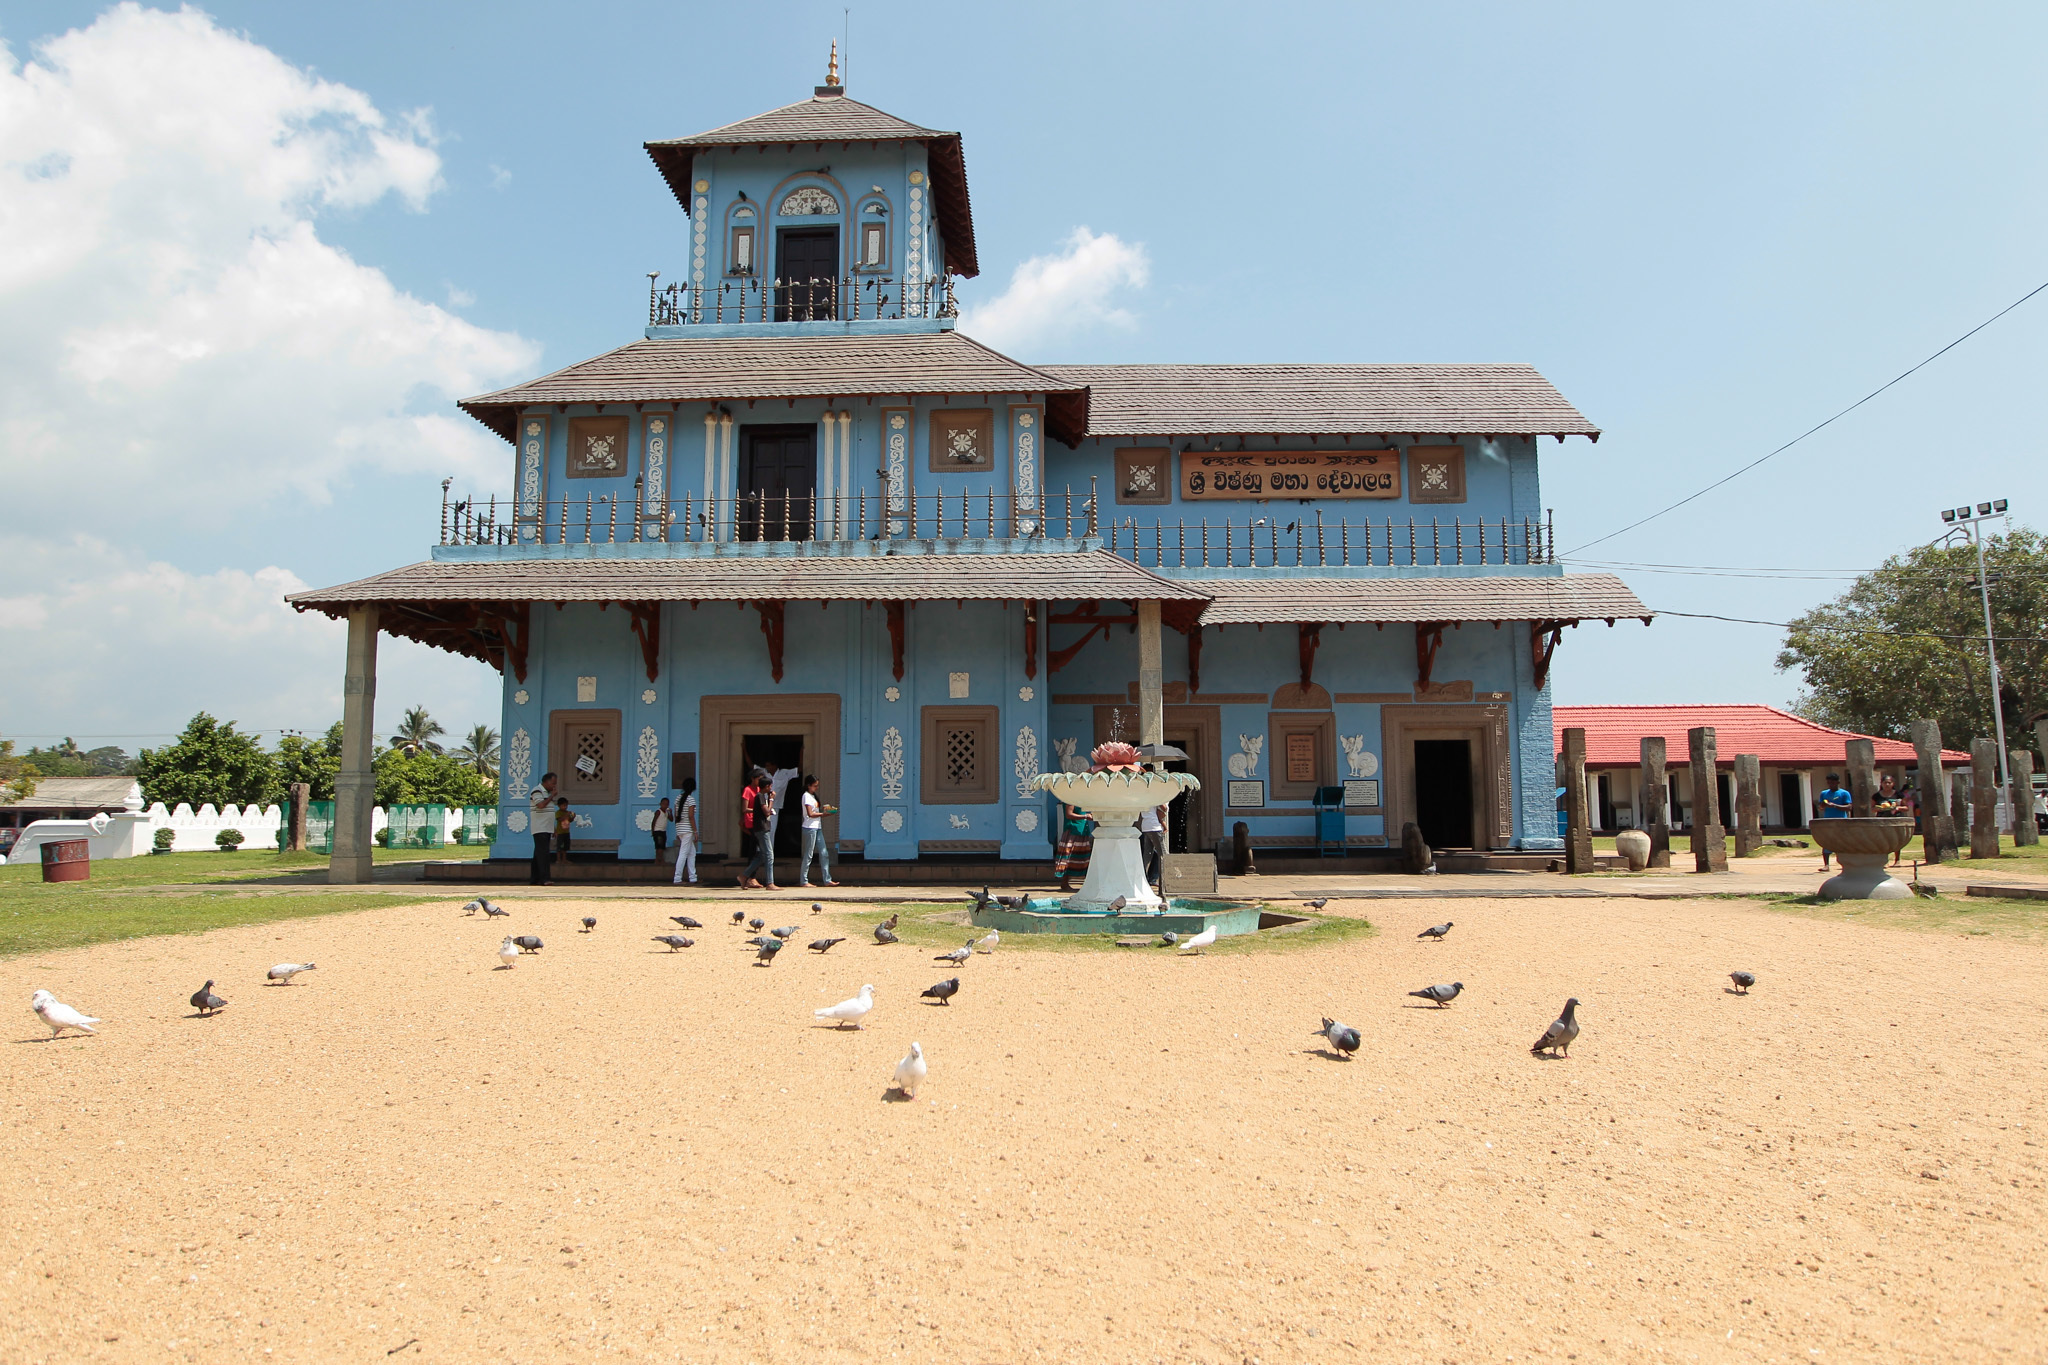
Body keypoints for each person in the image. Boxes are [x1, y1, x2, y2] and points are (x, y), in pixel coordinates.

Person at [796, 775, 839, 887]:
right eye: (815, 786)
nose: (816, 788)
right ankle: (804, 880)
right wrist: (824, 814)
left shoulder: (813, 796)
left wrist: (825, 811)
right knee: (809, 854)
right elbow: (810, 814)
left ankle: (827, 879)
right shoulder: (806, 796)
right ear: (808, 785)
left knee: (824, 853)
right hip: (810, 827)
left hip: (817, 826)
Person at [742, 771, 778, 889]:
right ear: (767, 786)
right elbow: (766, 812)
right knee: (769, 855)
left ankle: (744, 875)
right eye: (770, 786)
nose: (771, 788)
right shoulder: (760, 796)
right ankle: (770, 882)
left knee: (762, 855)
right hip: (762, 828)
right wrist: (771, 800)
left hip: (762, 827)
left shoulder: (761, 795)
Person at [527, 771, 559, 885]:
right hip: (540, 827)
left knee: (538, 854)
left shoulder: (546, 793)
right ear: (546, 782)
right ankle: (544, 878)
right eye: (553, 783)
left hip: (547, 827)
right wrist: (552, 796)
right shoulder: (537, 791)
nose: (554, 786)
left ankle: (535, 878)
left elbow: (549, 813)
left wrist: (553, 828)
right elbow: (540, 805)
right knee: (543, 854)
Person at [1054, 802, 1093, 891]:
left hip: (1081, 829)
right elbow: (1069, 814)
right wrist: (1085, 816)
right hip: (1073, 831)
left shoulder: (1080, 800)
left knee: (1083, 857)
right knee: (1069, 857)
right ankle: (1064, 883)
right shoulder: (1071, 799)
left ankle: (1087, 884)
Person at [1816, 772, 1851, 869]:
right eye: (1829, 783)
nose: (1831, 785)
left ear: (1838, 782)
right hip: (1828, 821)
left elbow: (1849, 807)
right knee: (1827, 842)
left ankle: (1844, 863)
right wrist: (1823, 805)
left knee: (1842, 842)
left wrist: (1835, 806)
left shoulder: (1844, 793)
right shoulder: (1824, 793)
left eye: (1833, 783)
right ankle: (1826, 864)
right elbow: (1821, 808)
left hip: (1841, 821)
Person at [671, 779, 699, 886]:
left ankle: (693, 877)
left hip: (680, 829)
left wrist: (677, 831)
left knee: (692, 853)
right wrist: (695, 831)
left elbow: (676, 815)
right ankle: (677, 878)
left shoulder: (678, 798)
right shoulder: (691, 799)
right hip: (688, 830)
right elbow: (691, 816)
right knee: (683, 853)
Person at [1139, 801, 1167, 888]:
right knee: (1164, 855)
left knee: (1147, 855)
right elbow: (1164, 809)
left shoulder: (1144, 798)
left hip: (1146, 826)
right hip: (1154, 827)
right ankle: (1165, 883)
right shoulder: (1155, 797)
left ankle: (1142, 879)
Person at [553, 796, 574, 869]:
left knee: (565, 847)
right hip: (560, 833)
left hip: (566, 832)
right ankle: (558, 860)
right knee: (559, 847)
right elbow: (560, 819)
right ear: (559, 806)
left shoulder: (567, 812)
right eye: (563, 805)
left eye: (566, 805)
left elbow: (570, 820)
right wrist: (567, 815)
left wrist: (572, 816)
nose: (565, 807)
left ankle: (564, 859)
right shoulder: (558, 813)